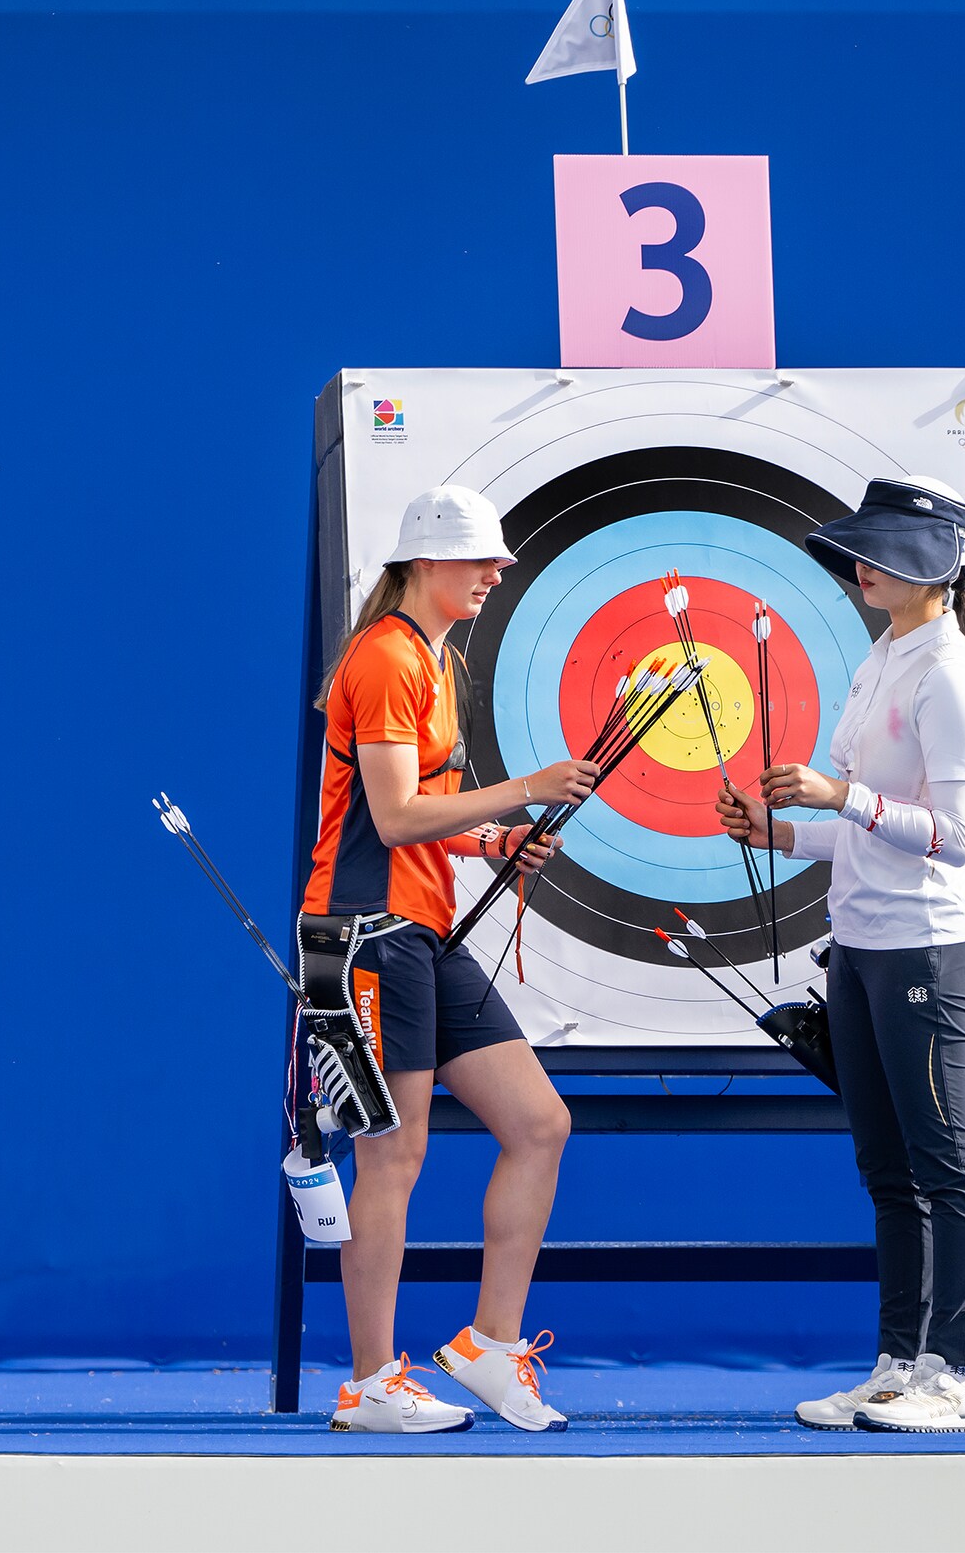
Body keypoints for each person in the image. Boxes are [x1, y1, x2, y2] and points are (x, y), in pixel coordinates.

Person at [303, 486, 599, 1434]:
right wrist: (528, 788)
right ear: (424, 563)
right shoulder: (388, 655)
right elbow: (390, 818)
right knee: (393, 1156)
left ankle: (488, 1346)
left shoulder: (438, 655)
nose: (494, 573)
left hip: (420, 927)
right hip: (361, 936)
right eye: (479, 560)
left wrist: (492, 842)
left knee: (539, 1123)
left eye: (497, 561)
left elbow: (428, 816)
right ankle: (369, 1383)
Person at [718, 475, 965, 1434]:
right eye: (862, 552)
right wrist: (781, 833)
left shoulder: (951, 674)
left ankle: (953, 1377)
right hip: (862, 948)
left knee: (948, 1166)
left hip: (925, 950)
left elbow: (956, 838)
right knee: (887, 1170)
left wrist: (839, 797)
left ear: (930, 570)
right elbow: (869, 832)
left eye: (882, 553)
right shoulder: (884, 655)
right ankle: (894, 1367)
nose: (862, 568)